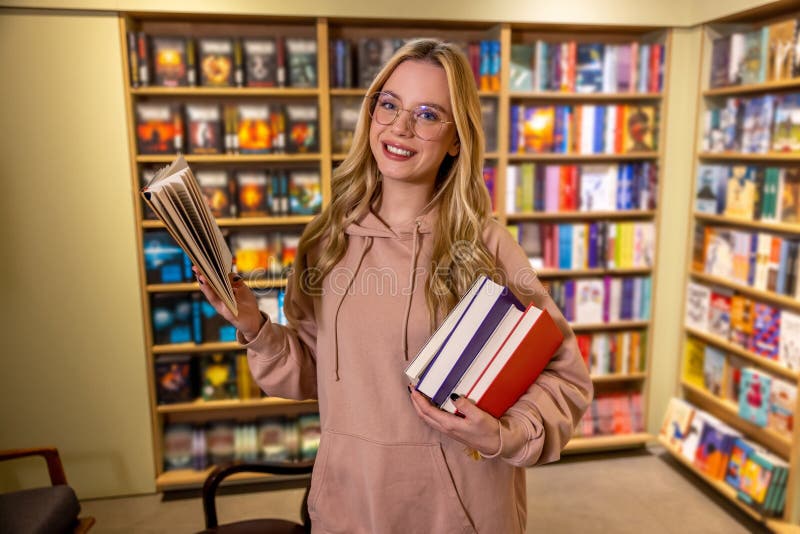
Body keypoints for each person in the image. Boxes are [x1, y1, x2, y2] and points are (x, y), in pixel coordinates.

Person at [194, 38, 593, 534]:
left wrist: (500, 433)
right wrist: (252, 323)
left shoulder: (485, 245)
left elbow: (565, 376)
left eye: (428, 114)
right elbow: (311, 374)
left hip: (457, 512)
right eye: (389, 104)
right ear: (371, 113)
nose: (400, 127)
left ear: (456, 139)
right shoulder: (326, 239)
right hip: (350, 504)